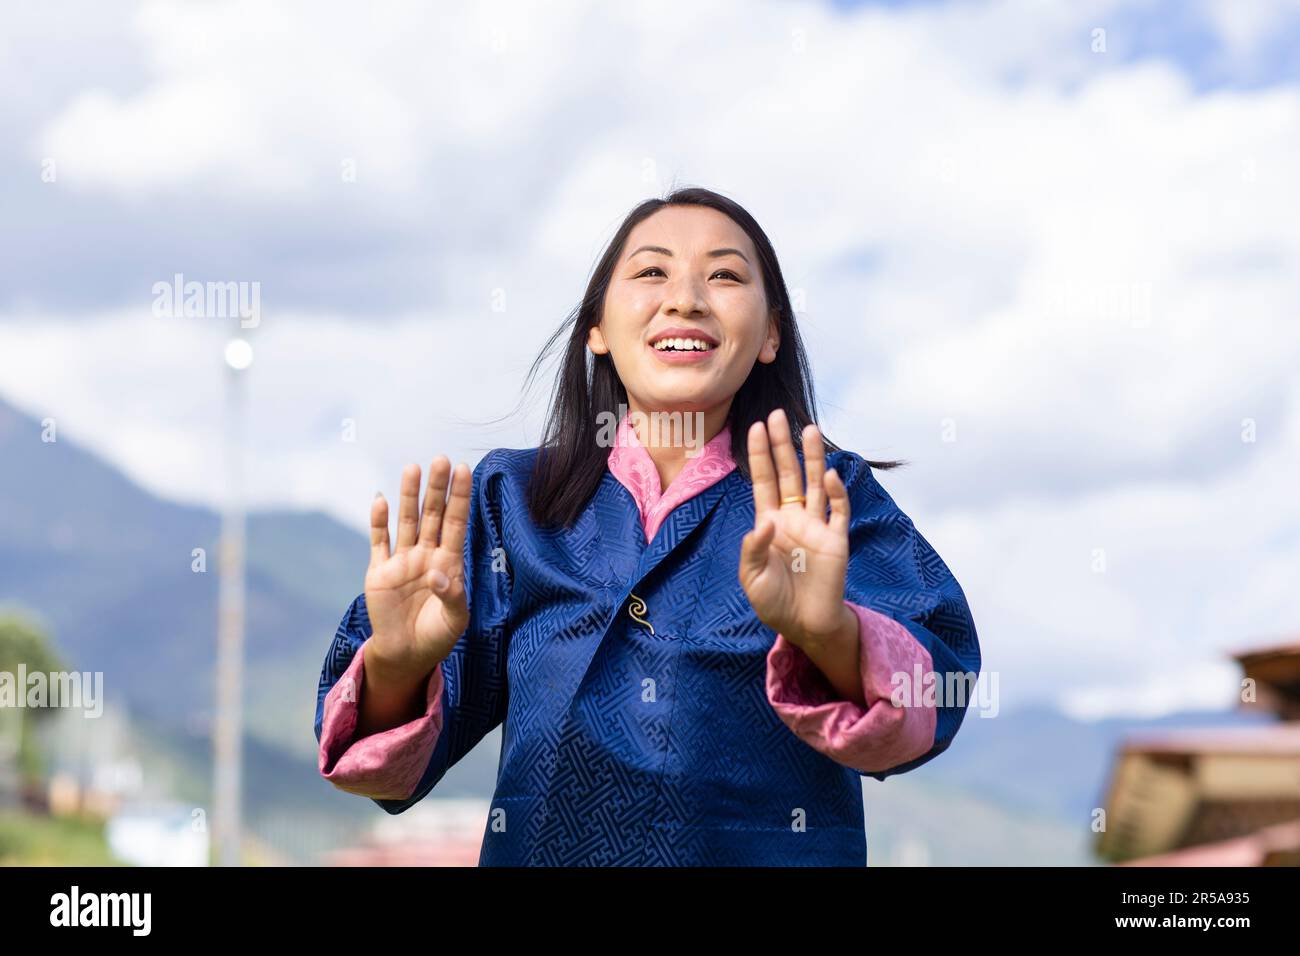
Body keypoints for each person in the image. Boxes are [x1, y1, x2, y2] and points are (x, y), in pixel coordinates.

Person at [313, 186, 981, 866]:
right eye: (651, 271)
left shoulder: (827, 499)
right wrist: (396, 667)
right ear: (596, 328)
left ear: (772, 332)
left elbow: (935, 694)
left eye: (724, 274)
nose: (686, 297)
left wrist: (830, 635)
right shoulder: (512, 501)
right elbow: (381, 770)